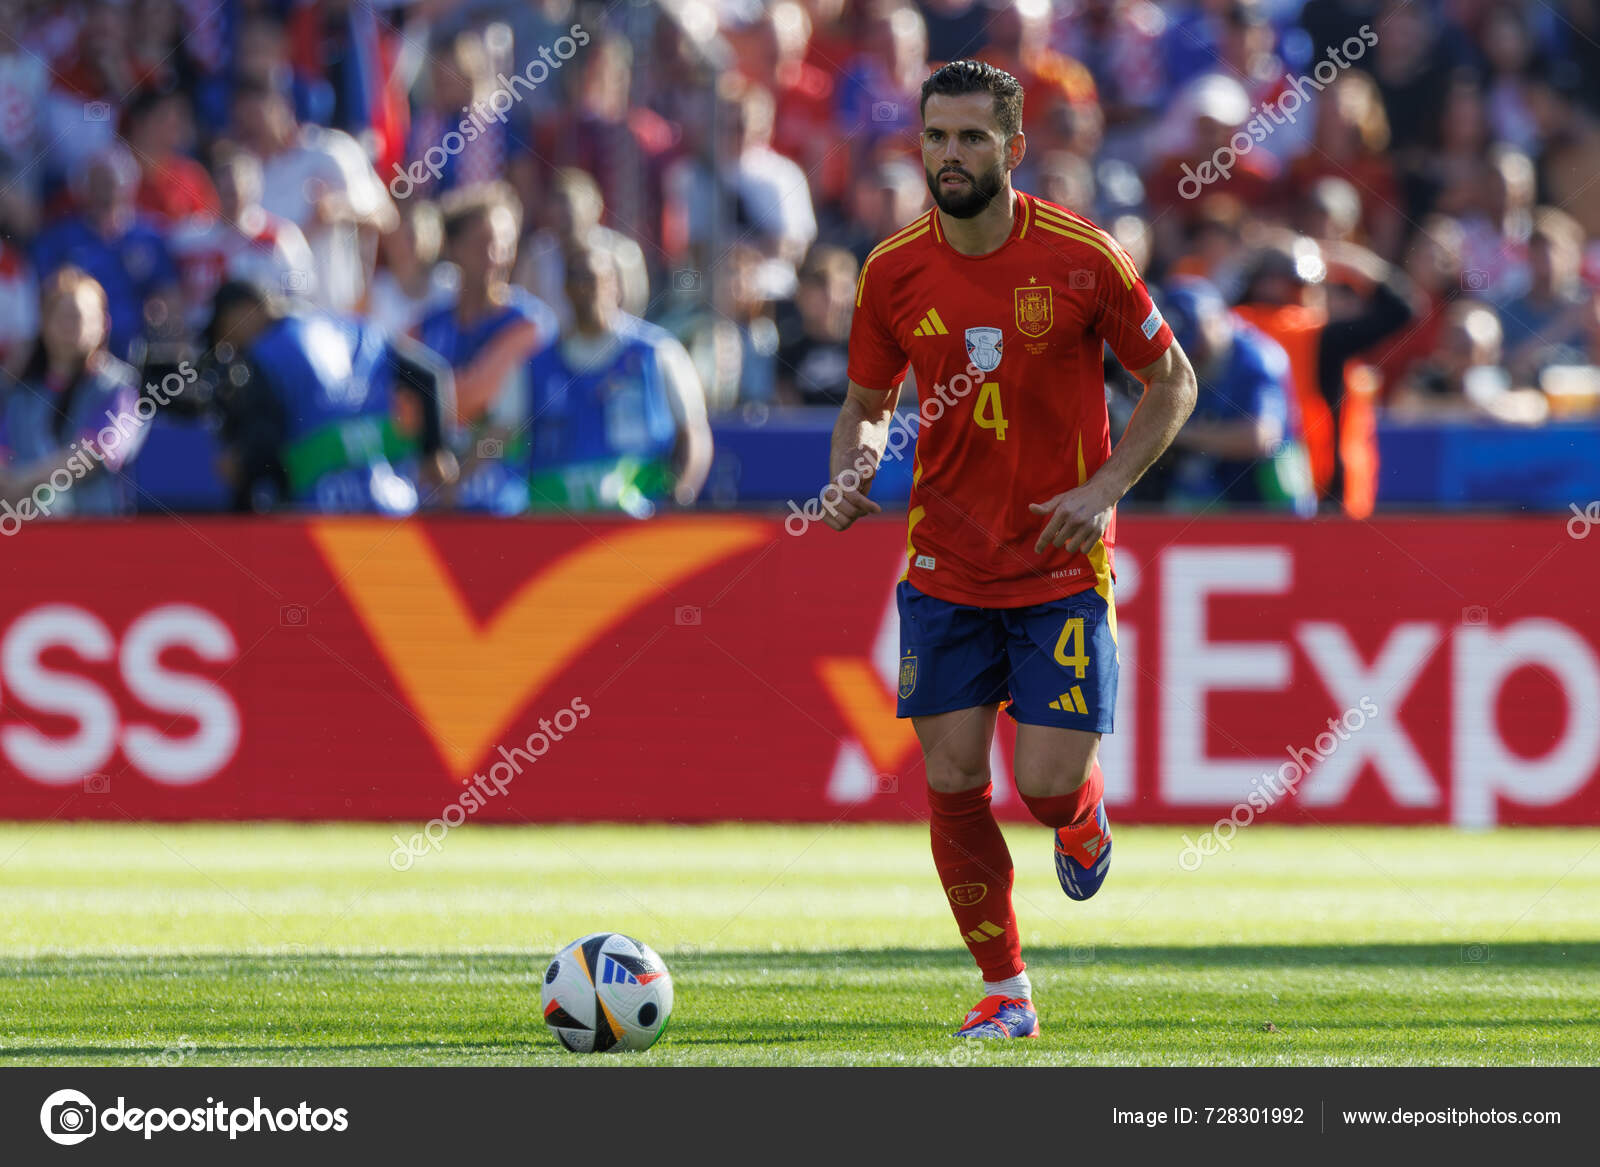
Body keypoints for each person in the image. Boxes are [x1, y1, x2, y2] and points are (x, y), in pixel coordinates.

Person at [825, 61, 1197, 1040]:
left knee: (1039, 784)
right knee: (950, 777)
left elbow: (1173, 382)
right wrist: (853, 468)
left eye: (972, 138)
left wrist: (1104, 488)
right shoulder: (891, 271)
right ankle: (1006, 988)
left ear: (1012, 149)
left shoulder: (1082, 258)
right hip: (944, 567)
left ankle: (1078, 815)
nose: (951, 155)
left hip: (1059, 568)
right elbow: (867, 405)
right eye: (937, 137)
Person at [203, 278, 453, 514]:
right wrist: (434, 450)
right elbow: (429, 375)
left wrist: (241, 466)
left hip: (321, 513)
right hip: (392, 503)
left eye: (226, 329)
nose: (230, 346)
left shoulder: (266, 355)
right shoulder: (357, 328)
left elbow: (264, 441)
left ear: (247, 309)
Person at [523, 247, 712, 517]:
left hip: (639, 527)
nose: (585, 289)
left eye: (593, 278)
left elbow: (693, 431)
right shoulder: (539, 363)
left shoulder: (657, 352)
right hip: (557, 529)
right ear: (564, 288)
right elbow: (506, 435)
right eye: (575, 279)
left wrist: (681, 497)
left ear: (615, 285)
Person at [416, 183, 557, 512]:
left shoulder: (530, 325)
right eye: (482, 243)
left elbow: (506, 422)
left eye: (505, 244)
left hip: (509, 499)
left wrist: (457, 481)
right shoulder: (426, 326)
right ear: (452, 248)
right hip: (432, 496)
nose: (496, 256)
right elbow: (408, 413)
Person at [1157, 277, 1315, 515]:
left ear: (1213, 322)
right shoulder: (1185, 358)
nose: (1190, 354)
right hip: (1213, 487)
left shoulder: (1257, 358)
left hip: (1266, 495)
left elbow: (1259, 437)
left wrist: (1175, 435)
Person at [0, 267, 149, 517]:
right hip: (28, 535)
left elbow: (93, 455)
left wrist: (24, 481)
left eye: (81, 316)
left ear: (104, 324)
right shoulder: (19, 392)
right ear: (44, 323)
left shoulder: (120, 386)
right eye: (63, 316)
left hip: (96, 532)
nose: (72, 326)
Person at [30, 145, 181, 362]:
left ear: (130, 186)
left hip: (138, 351)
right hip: (78, 351)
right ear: (82, 189)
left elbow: (168, 294)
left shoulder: (151, 237)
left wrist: (161, 314)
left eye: (114, 181)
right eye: (98, 183)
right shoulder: (59, 238)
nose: (107, 191)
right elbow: (47, 295)